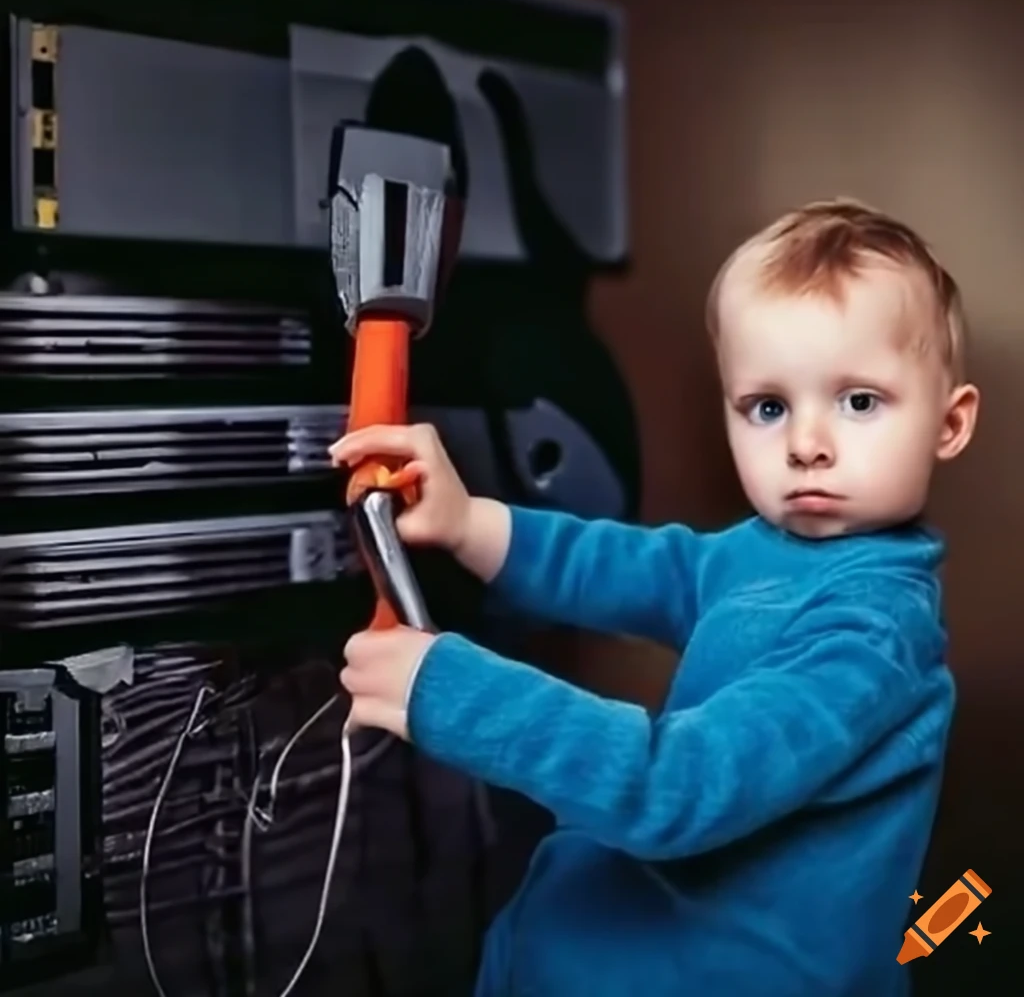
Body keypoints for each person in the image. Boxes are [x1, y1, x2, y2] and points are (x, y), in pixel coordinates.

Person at [329, 198, 980, 996]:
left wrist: (446, 690)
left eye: (859, 402)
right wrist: (471, 523)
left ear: (949, 424)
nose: (808, 444)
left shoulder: (873, 633)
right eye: (768, 407)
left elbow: (678, 788)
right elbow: (629, 567)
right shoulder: (762, 553)